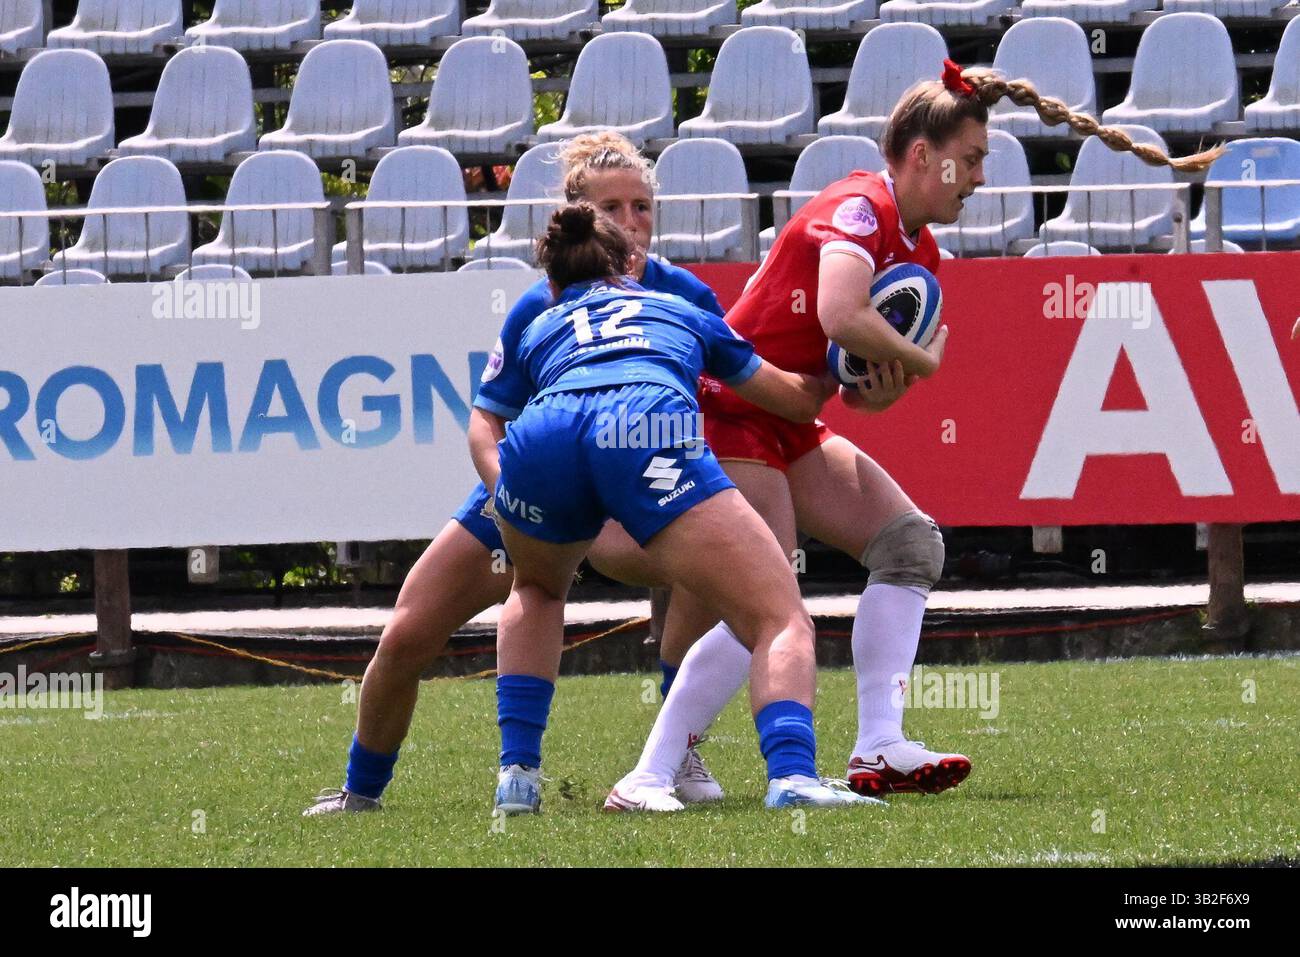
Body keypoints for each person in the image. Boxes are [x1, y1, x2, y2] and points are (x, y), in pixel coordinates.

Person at [607, 59, 1226, 808]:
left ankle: (879, 745)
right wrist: (920, 361)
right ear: (923, 156)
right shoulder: (862, 207)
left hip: (789, 421)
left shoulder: (920, 250)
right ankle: (651, 771)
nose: (978, 180)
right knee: (764, 597)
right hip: (733, 409)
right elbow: (839, 314)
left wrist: (881, 385)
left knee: (910, 543)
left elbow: (853, 382)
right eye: (969, 162)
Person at [305, 133, 747, 816]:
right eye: (614, 208)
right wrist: (508, 497)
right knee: (408, 632)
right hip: (537, 490)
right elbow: (486, 423)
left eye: (642, 207)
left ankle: (672, 747)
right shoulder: (538, 305)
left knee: (715, 569)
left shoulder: (686, 296)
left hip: (640, 492)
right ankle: (361, 794)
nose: (632, 223)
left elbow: (724, 407)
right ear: (578, 217)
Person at [488, 201, 880, 813]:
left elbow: (490, 417)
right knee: (779, 616)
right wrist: (845, 367)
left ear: (555, 282)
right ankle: (793, 777)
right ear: (629, 267)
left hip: (541, 436)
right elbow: (793, 402)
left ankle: (518, 781)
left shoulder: (538, 324)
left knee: (535, 591)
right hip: (643, 426)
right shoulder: (678, 309)